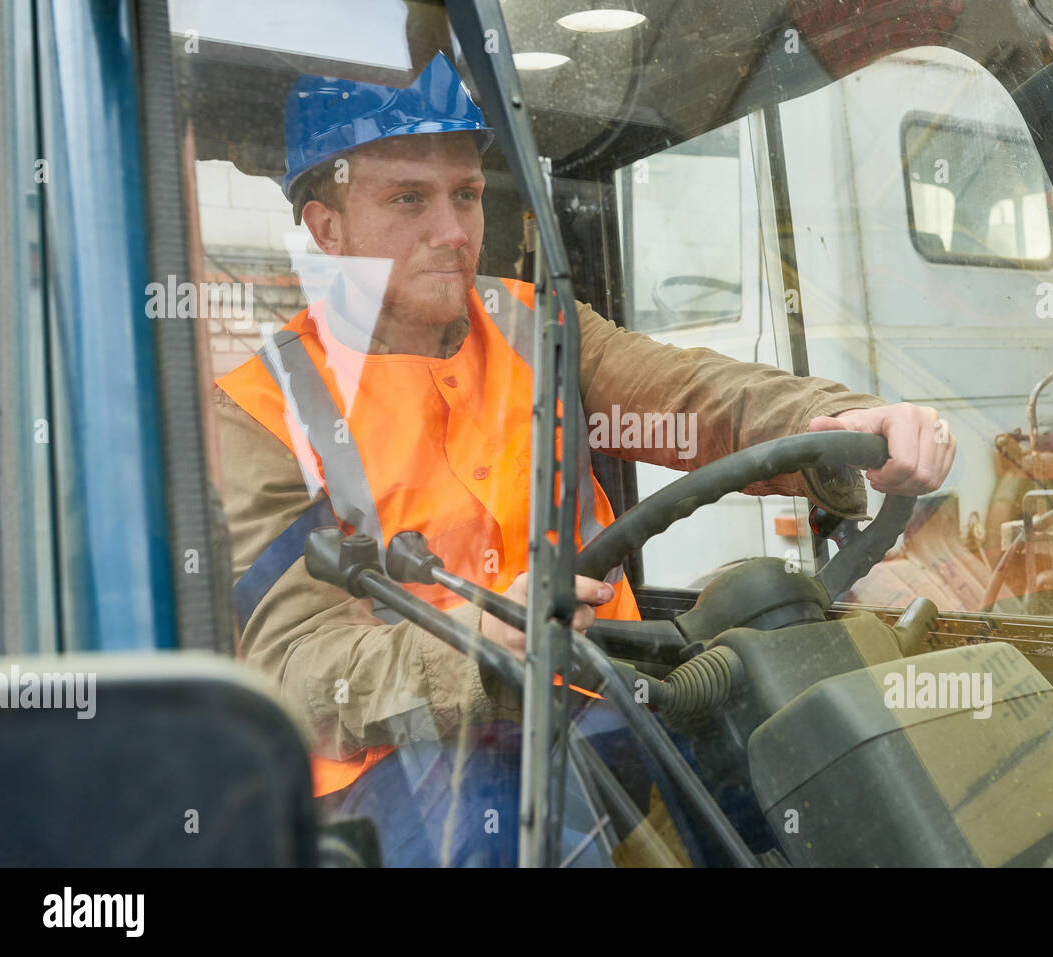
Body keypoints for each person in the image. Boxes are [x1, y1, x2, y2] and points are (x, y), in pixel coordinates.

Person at [212, 52, 956, 866]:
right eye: (408, 199)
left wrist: (840, 418)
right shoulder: (260, 408)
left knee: (791, 754)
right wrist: (480, 637)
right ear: (327, 229)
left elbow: (692, 398)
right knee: (500, 812)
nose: (455, 231)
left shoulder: (539, 328)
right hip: (407, 767)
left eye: (465, 193)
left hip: (604, 700)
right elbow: (294, 668)